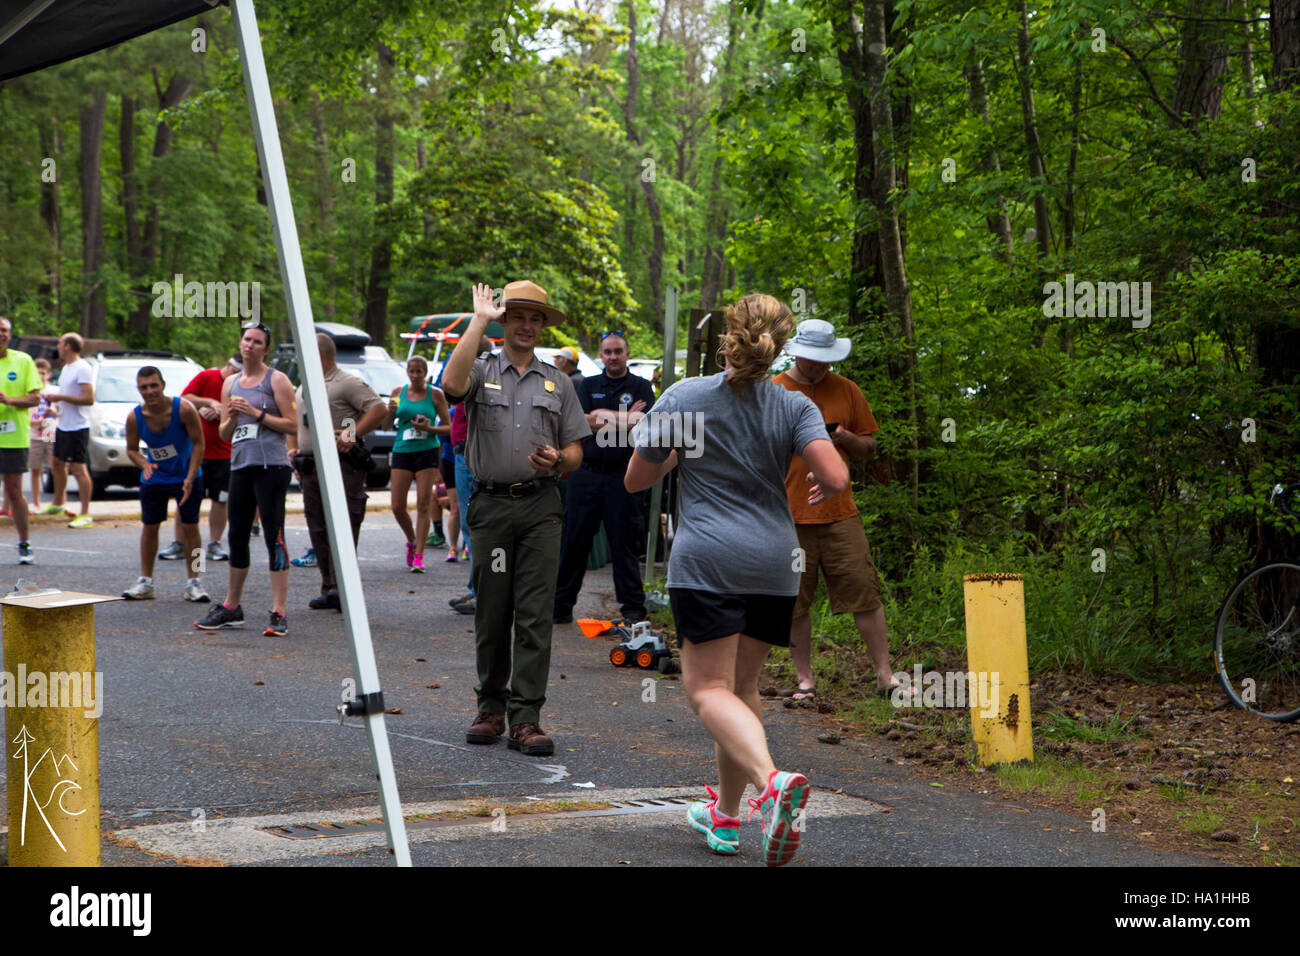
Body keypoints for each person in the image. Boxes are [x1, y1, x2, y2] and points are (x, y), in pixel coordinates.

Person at [625, 293, 848, 867]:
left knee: (705, 690)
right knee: (741, 692)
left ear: (729, 335)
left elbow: (636, 479)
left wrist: (680, 451)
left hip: (710, 562)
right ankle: (725, 817)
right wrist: (827, 485)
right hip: (776, 564)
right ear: (782, 345)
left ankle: (772, 786)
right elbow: (837, 475)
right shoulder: (794, 406)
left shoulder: (685, 397)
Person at [441, 281, 590, 757]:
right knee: (493, 609)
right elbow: (450, 386)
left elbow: (575, 450)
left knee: (534, 614)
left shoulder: (558, 381)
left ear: (543, 326)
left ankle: (526, 718)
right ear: (505, 322)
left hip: (540, 507)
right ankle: (491, 707)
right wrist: (478, 319)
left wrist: (559, 460)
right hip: (491, 505)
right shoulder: (481, 368)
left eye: (536, 318)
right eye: (518, 317)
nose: (527, 325)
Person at [773, 319, 911, 700]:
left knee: (863, 590)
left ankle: (885, 676)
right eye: (813, 359)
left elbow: (870, 449)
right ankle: (805, 680)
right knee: (795, 599)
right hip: (789, 516)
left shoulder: (847, 390)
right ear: (797, 351)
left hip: (840, 514)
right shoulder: (774, 391)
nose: (819, 367)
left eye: (825, 360)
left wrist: (844, 437)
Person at [195, 323, 296, 636]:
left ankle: (279, 611)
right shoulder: (230, 383)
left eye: (257, 342)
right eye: (246, 340)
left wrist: (257, 412)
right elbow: (225, 431)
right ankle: (231, 607)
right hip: (239, 465)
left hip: (272, 467)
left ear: (266, 349)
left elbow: (292, 424)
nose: (250, 345)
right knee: (236, 535)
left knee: (273, 535)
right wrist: (234, 418)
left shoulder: (276, 379)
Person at [553, 330, 655, 624]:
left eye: (618, 351)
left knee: (624, 545)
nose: (612, 356)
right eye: (607, 352)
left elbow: (644, 425)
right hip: (586, 475)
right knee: (574, 542)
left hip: (624, 477)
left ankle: (633, 610)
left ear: (627, 354)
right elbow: (581, 422)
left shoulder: (640, 386)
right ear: (601, 356)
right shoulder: (588, 385)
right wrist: (624, 417)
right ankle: (560, 607)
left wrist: (603, 417)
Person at [292, 332, 387, 609]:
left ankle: (341, 587)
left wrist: (351, 433)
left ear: (320, 355)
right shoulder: (305, 384)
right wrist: (294, 448)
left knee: (342, 524)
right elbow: (297, 419)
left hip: (341, 464)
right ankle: (329, 586)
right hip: (310, 465)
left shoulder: (346, 382)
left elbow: (378, 409)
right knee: (317, 525)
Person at [121, 366, 208, 602]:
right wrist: (143, 463)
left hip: (187, 476)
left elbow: (199, 443)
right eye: (144, 387)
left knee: (192, 528)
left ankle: (196, 581)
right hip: (155, 477)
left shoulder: (184, 409)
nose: (150, 391)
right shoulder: (135, 417)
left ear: (163, 385)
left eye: (154, 385)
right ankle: (145, 582)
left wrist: (191, 476)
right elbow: (131, 449)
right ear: (139, 389)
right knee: (149, 527)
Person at [173, 356, 243, 563]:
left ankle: (214, 543)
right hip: (197, 452)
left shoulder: (242, 385)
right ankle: (178, 542)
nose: (236, 378)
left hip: (224, 453)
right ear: (228, 365)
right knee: (185, 497)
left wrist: (223, 414)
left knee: (220, 499)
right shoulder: (206, 377)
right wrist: (208, 403)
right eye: (234, 372)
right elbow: (185, 398)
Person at [388, 356, 451, 570]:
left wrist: (429, 429)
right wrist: (389, 409)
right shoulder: (398, 393)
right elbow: (386, 423)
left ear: (425, 373)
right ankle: (412, 540)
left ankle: (419, 556)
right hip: (402, 450)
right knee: (397, 506)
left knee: (424, 503)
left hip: (427, 451)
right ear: (407, 372)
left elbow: (448, 428)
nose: (415, 376)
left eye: (419, 372)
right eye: (412, 371)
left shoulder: (436, 394)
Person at [447, 335, 492, 613]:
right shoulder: (471, 376)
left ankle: (483, 592)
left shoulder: (475, 376)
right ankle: (476, 587)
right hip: (462, 453)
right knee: (470, 524)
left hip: (472, 455)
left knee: (476, 524)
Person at [0, 317, 43, 563]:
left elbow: (36, 398)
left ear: (10, 335)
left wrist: (10, 401)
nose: (1, 334)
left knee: (15, 490)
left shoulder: (23, 360)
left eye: (5, 330)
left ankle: (24, 543)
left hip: (13, 437)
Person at [45, 332, 96, 527]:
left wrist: (60, 398)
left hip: (78, 426)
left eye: (60, 342)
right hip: (63, 424)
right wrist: (56, 407)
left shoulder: (83, 368)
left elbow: (89, 399)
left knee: (78, 468)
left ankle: (85, 513)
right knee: (57, 463)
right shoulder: (67, 367)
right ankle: (59, 503)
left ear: (67, 346)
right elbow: (67, 395)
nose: (57, 346)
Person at [26, 358, 57, 514]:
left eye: (43, 373)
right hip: (34, 434)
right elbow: (25, 415)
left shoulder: (54, 391)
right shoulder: (29, 391)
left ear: (48, 374)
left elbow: (62, 413)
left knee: (55, 468)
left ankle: (58, 502)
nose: (40, 376)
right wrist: (34, 422)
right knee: (35, 469)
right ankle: (36, 503)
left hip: (49, 432)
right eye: (37, 373)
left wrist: (54, 413)